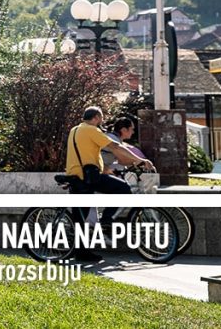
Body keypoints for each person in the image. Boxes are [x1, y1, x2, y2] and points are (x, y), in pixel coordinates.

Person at [64, 106, 154, 262]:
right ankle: (107, 218)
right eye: (101, 118)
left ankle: (82, 253)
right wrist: (139, 160)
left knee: (81, 216)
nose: (102, 122)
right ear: (97, 117)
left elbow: (87, 153)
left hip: (77, 175)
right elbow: (115, 147)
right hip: (87, 177)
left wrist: (105, 169)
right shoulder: (92, 130)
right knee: (123, 188)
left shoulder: (75, 130)